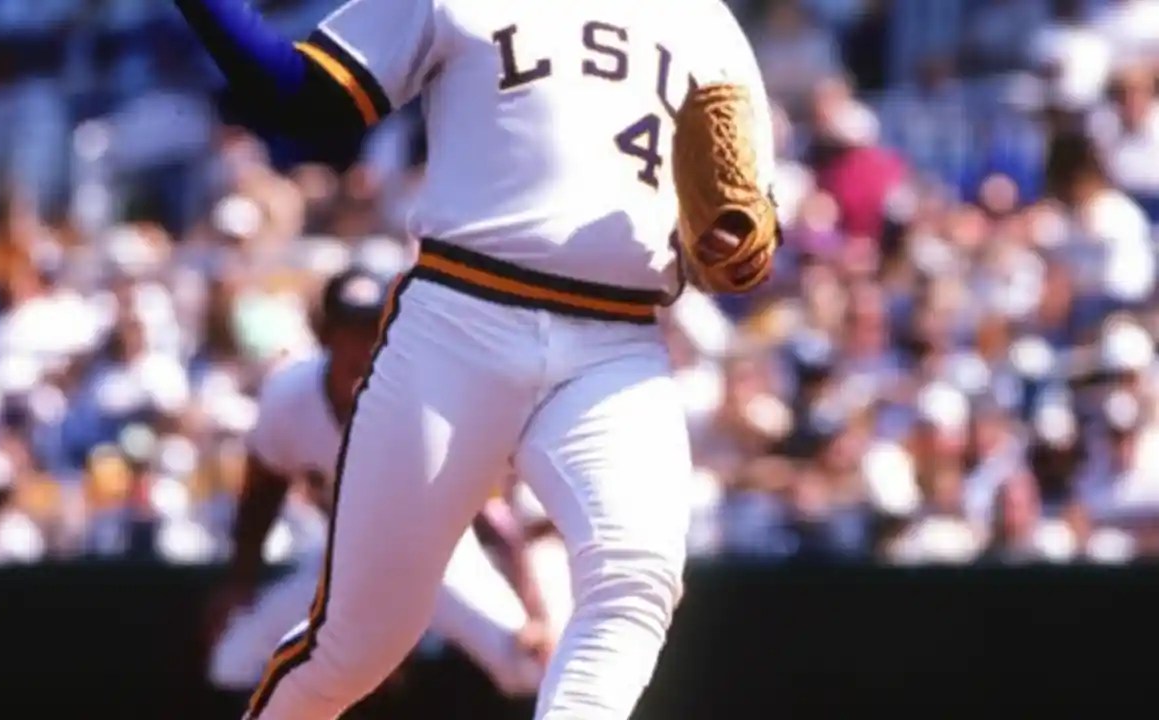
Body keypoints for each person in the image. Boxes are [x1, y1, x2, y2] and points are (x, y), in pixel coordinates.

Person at [174, 0, 776, 717]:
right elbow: (305, 101)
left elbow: (749, 232)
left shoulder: (704, 21)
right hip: (461, 320)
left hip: (617, 341)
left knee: (634, 582)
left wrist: (734, 245)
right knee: (358, 645)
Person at [206, 266, 560, 698]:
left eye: (374, 329)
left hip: (438, 559)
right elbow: (263, 493)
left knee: (532, 664)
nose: (363, 345)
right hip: (345, 563)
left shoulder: (425, 400)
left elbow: (489, 513)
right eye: (349, 331)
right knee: (234, 659)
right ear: (326, 335)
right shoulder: (290, 397)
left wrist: (534, 612)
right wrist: (240, 583)